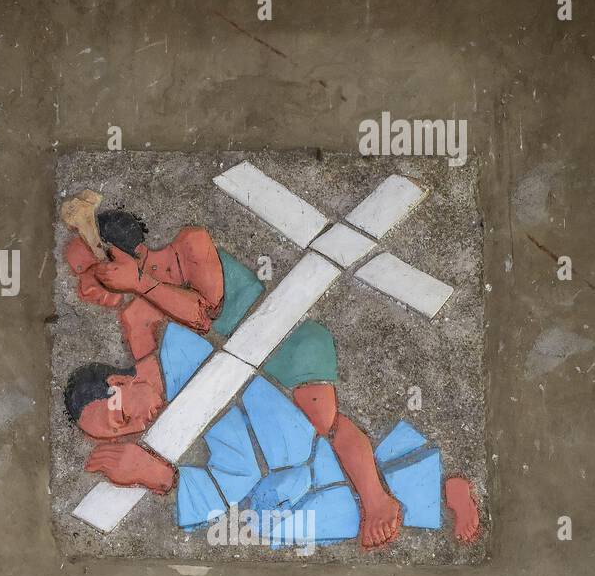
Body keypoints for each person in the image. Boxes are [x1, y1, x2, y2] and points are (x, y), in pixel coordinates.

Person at [63, 207, 480, 549]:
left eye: (94, 270)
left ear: (126, 252)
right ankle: (439, 489)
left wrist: (139, 284)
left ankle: (376, 500)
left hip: (282, 341)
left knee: (323, 426)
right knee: (302, 458)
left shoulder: (189, 246)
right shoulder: (139, 312)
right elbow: (156, 375)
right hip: (244, 370)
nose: (90, 288)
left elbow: (204, 315)